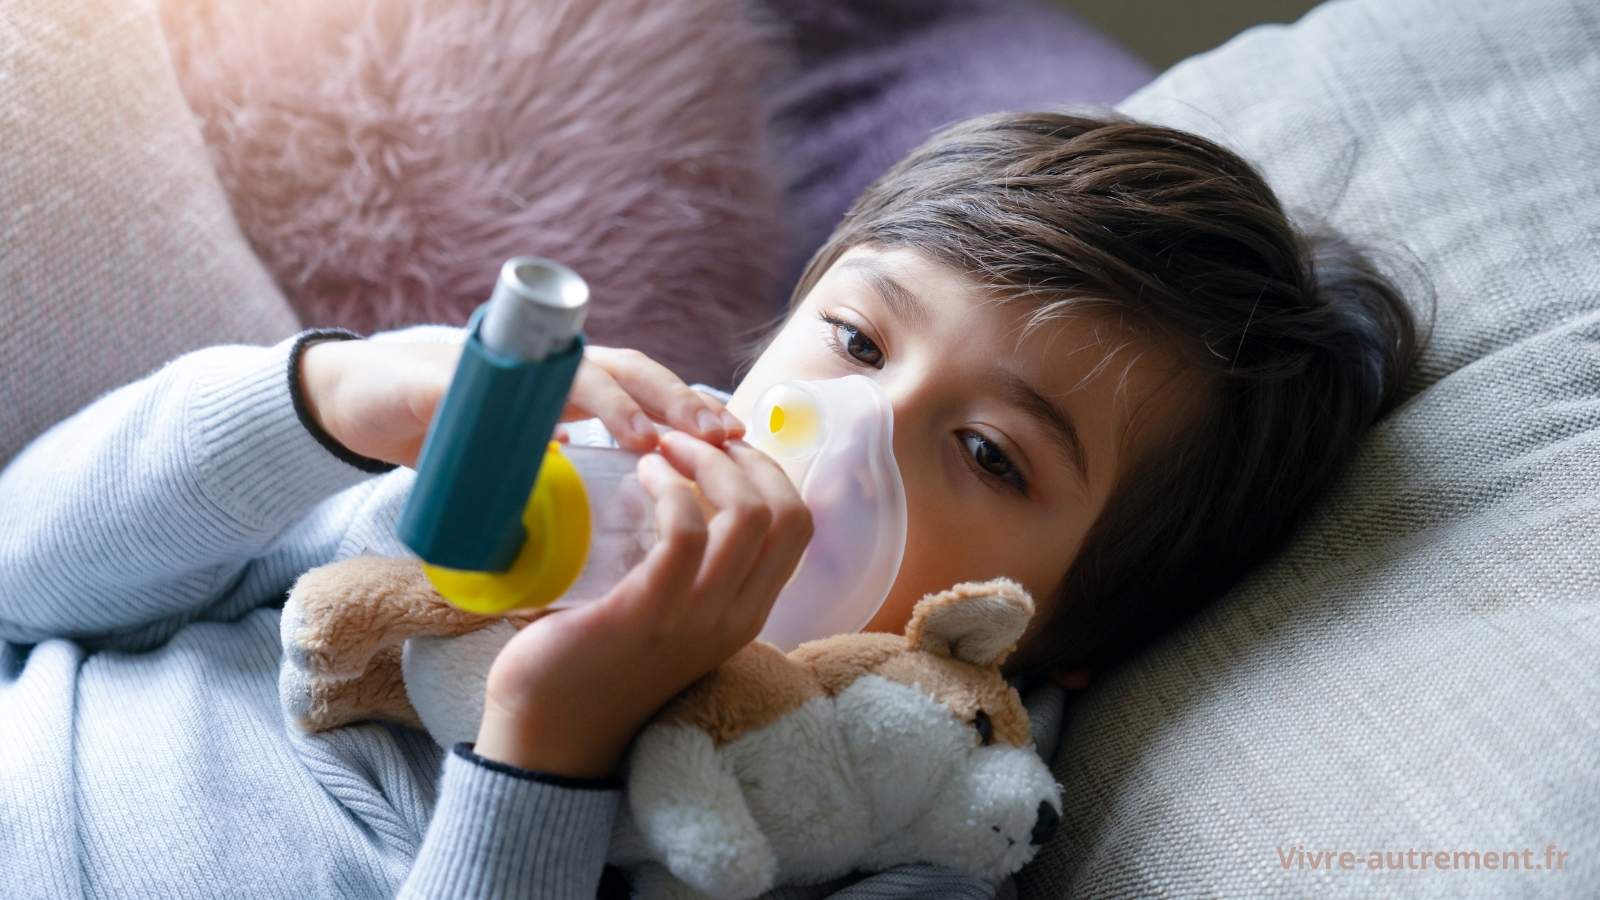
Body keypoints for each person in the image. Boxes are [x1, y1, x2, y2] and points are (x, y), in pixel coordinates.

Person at [0, 109, 1424, 898]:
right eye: (858, 341)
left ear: (1058, 634)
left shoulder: (904, 825)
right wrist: (327, 404)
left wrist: (545, 761)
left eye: (989, 455)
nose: (843, 434)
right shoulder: (553, 468)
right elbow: (25, 578)